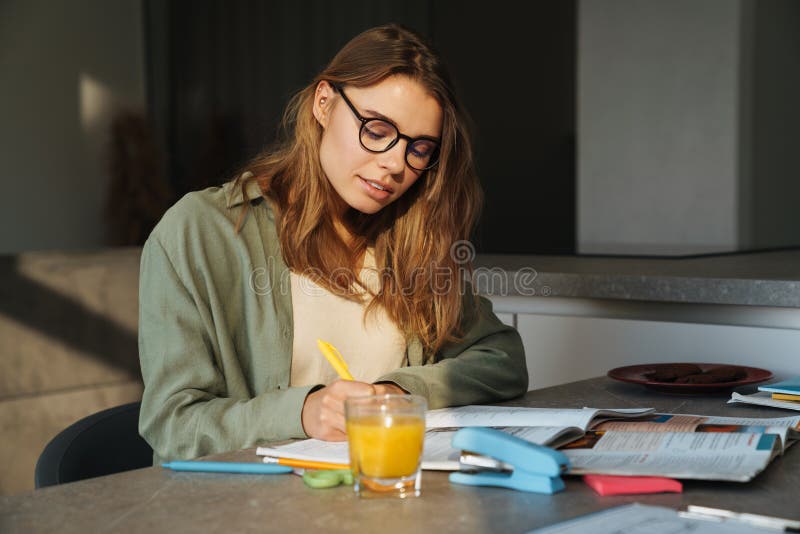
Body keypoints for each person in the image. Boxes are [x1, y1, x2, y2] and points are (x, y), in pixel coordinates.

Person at [138, 24, 527, 462]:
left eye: (419, 149)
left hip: (384, 498)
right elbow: (171, 423)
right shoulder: (200, 232)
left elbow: (501, 357)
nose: (396, 164)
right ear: (324, 104)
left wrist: (397, 390)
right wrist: (303, 413)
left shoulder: (412, 237)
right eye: (378, 131)